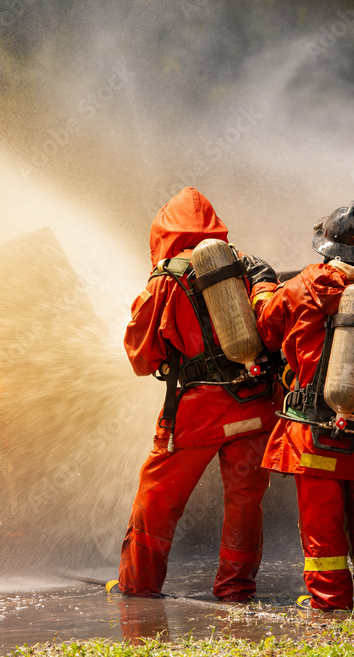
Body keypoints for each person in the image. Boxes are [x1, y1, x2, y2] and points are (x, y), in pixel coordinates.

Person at [106, 186, 280, 602]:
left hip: (200, 412)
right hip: (257, 404)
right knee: (245, 503)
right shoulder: (249, 267)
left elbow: (140, 358)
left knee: (159, 495)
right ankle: (236, 589)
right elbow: (275, 325)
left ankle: (138, 585)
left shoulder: (165, 279)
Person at [250, 201, 354, 613]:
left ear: (324, 246)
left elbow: (266, 333)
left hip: (314, 437)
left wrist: (262, 287)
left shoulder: (299, 287)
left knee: (323, 530)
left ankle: (330, 604)